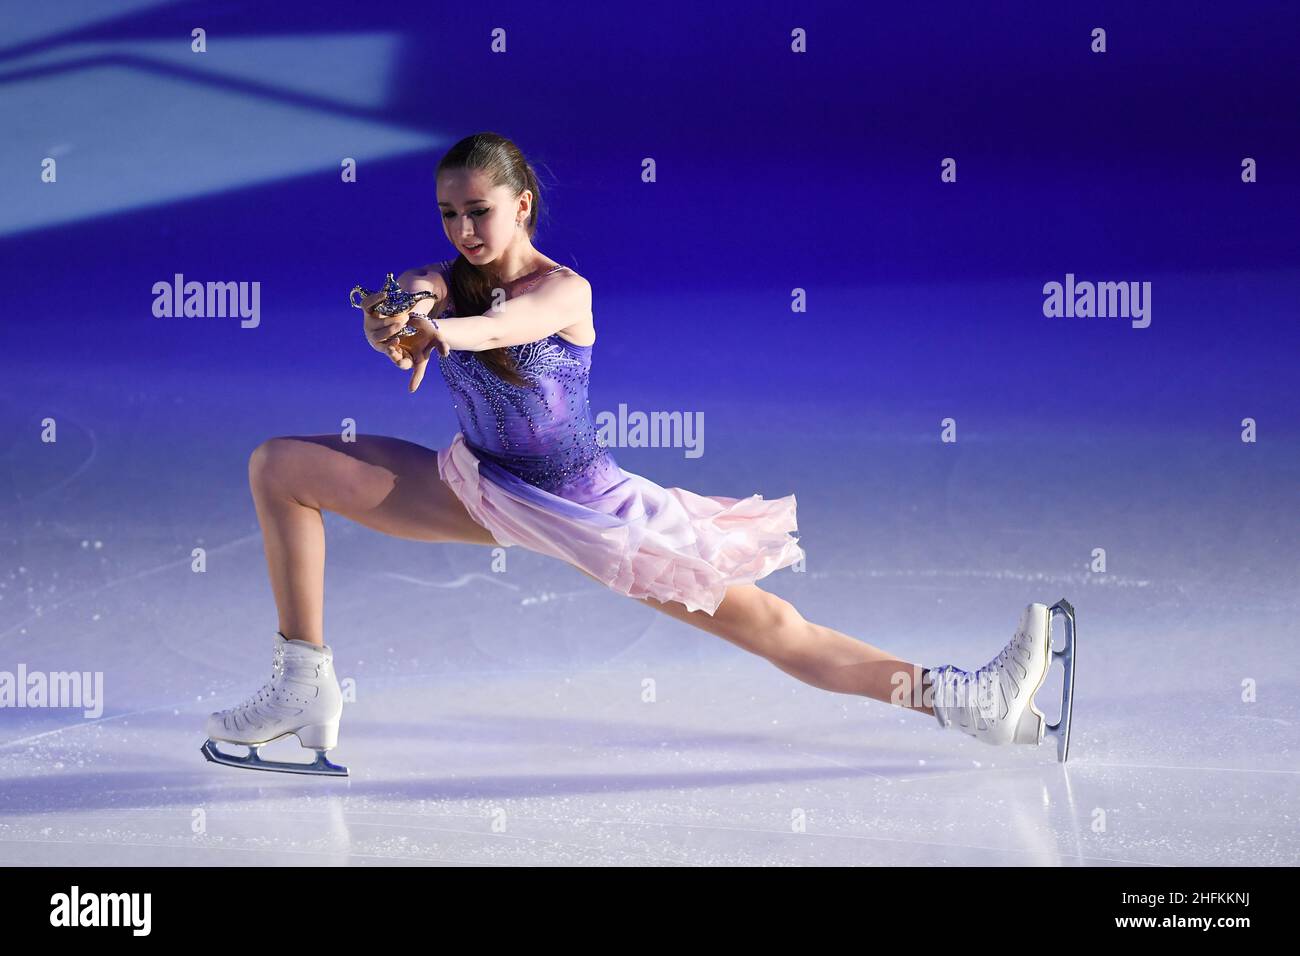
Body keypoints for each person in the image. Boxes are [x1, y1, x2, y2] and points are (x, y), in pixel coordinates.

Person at [201, 132, 1075, 776]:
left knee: (776, 631)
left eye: (480, 210)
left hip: (593, 512)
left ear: (523, 207)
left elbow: (501, 327)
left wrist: (436, 328)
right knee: (281, 467)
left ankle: (968, 700)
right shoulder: (447, 277)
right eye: (450, 213)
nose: (465, 229)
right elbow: (416, 293)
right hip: (473, 488)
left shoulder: (560, 291)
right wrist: (388, 315)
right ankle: (302, 683)